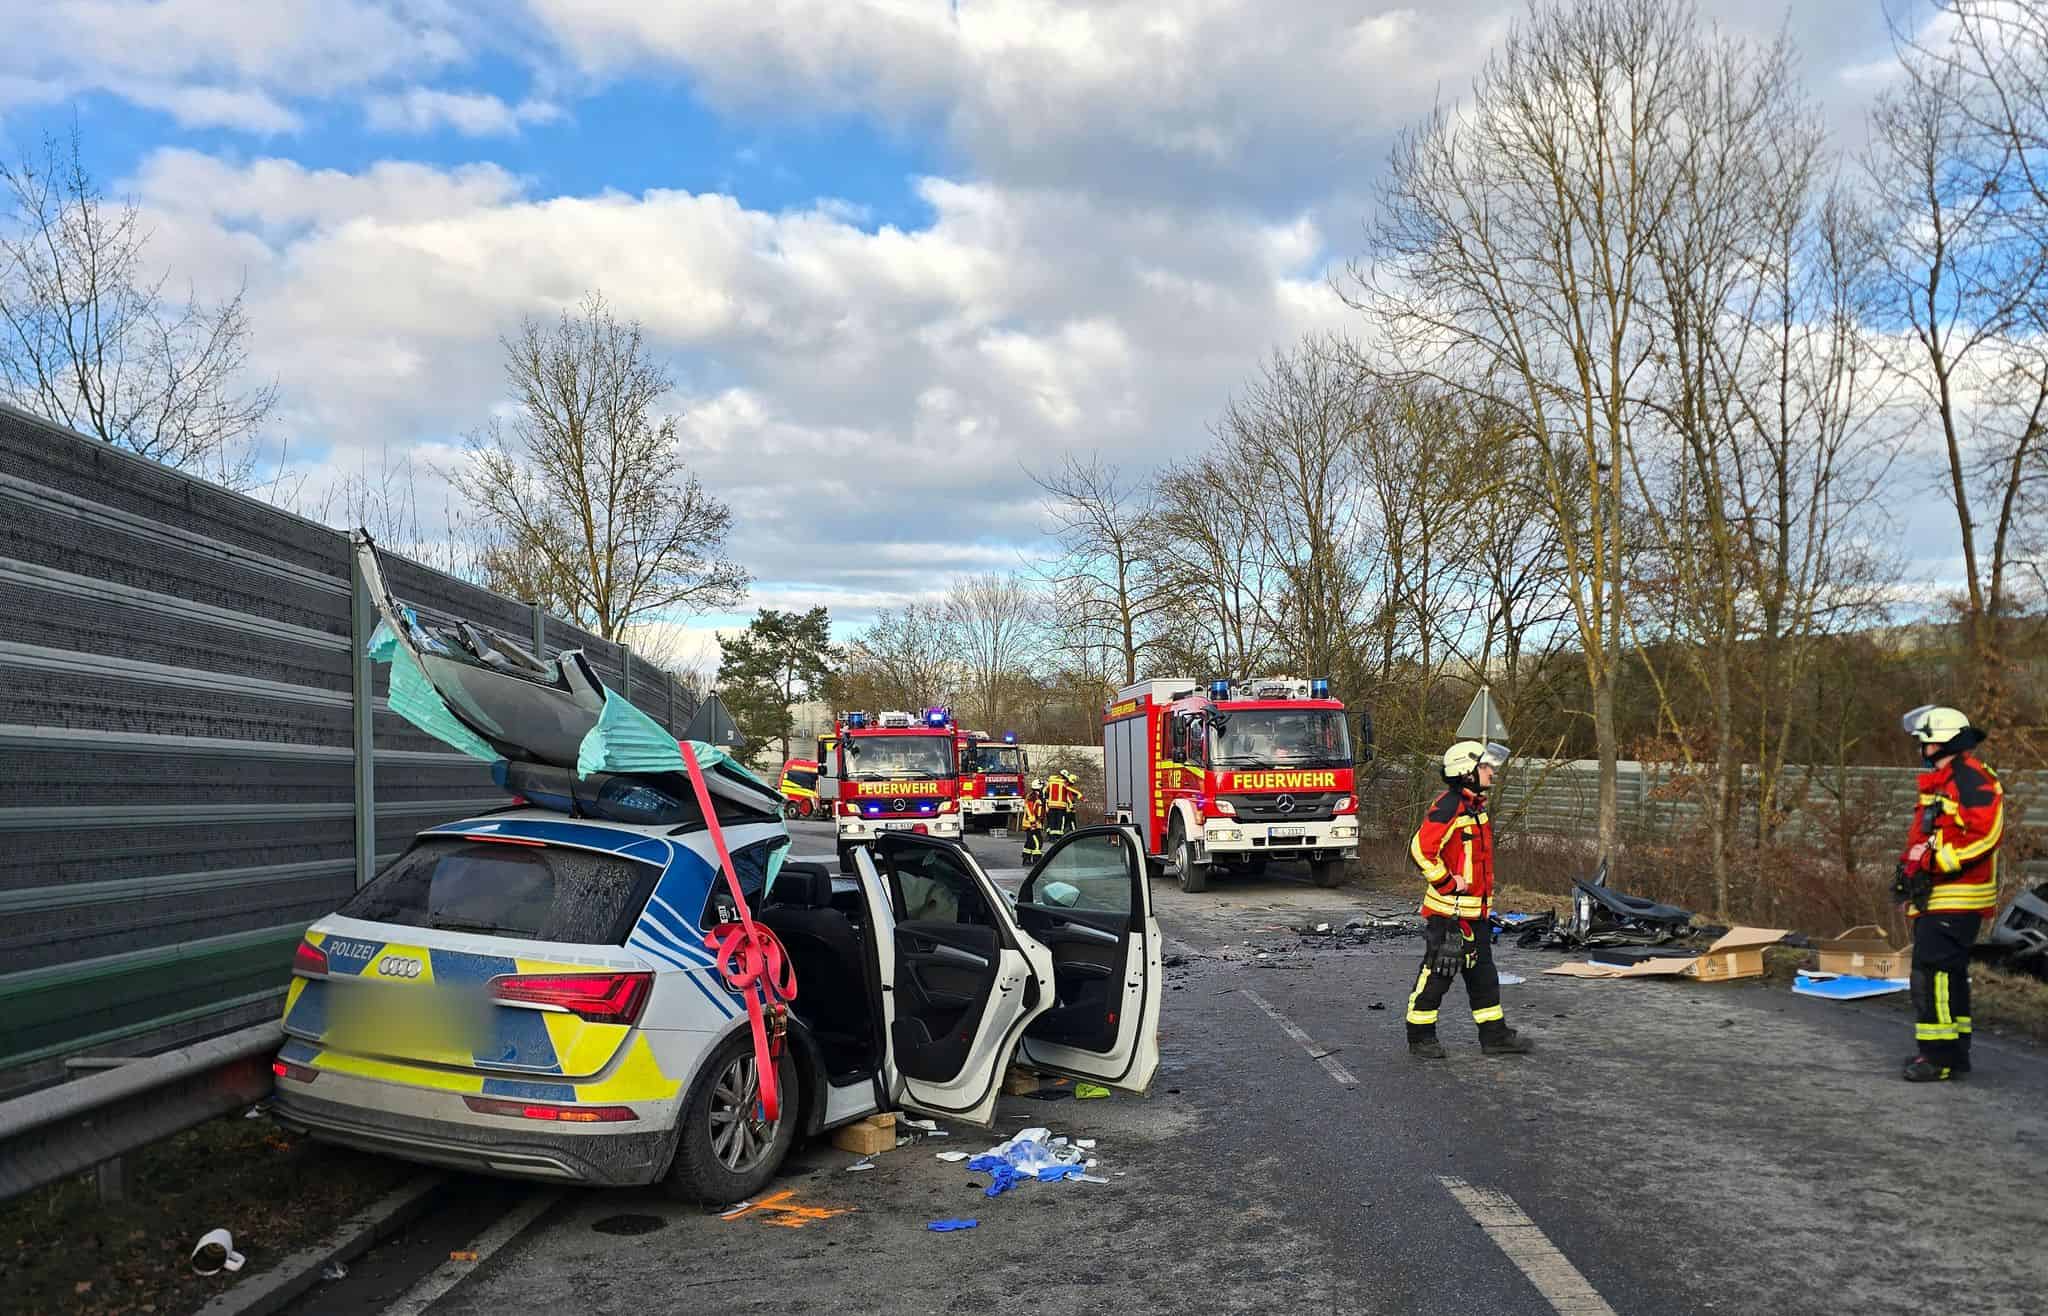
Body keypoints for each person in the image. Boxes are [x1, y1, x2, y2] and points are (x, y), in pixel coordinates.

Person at [1895, 705, 2005, 1082]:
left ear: (1940, 743)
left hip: (1957, 895)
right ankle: (1952, 1052)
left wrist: (1935, 863)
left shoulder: (1971, 780)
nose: (1920, 749)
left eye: (1923, 742)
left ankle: (1938, 1056)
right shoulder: (1944, 780)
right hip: (1939, 892)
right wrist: (1909, 869)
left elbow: (1985, 837)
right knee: (1946, 972)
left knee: (1933, 973)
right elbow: (1929, 834)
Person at [1405, 739, 1530, 1059]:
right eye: (1485, 767)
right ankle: (1420, 1036)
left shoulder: (1476, 808)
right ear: (1466, 772)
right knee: (1439, 974)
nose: (1491, 772)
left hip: (1476, 913)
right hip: (1450, 915)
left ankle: (1494, 1035)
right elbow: (1421, 850)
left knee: (1483, 975)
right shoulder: (1449, 806)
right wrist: (1447, 882)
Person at [1020, 779, 1049, 861]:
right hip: (1031, 824)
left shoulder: (1039, 796)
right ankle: (1037, 859)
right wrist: (1033, 823)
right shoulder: (1032, 797)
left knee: (1030, 842)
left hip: (1035, 823)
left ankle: (1026, 859)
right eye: (1042, 786)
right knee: (1037, 842)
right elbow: (1029, 811)